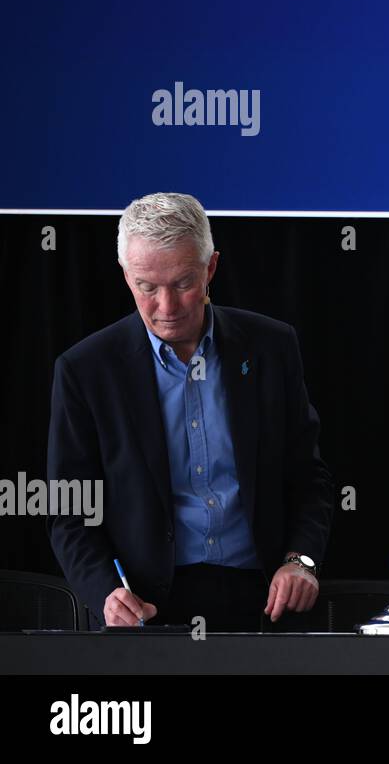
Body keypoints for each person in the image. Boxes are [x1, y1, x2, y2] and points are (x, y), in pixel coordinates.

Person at [47, 192, 333, 630]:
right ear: (126, 277)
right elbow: (69, 510)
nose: (167, 307)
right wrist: (105, 592)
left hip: (264, 601)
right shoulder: (85, 369)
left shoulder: (272, 347)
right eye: (147, 287)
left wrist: (301, 561)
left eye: (182, 283)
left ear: (211, 268)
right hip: (146, 610)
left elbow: (308, 478)